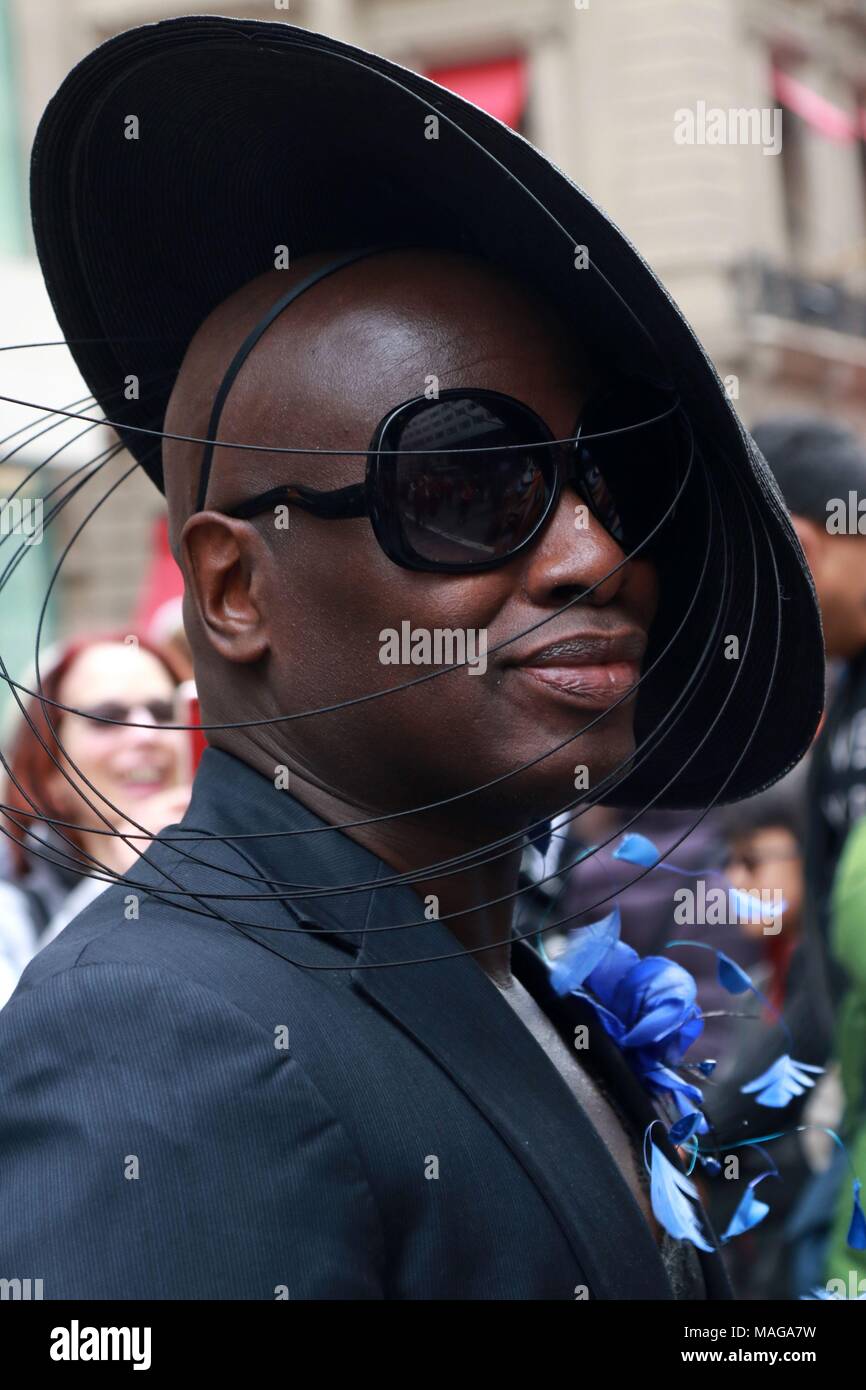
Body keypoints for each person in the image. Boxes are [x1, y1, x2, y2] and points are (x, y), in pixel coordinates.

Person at [0, 17, 823, 1300]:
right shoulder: (164, 1049)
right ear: (231, 586)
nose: (593, 552)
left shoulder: (495, 971)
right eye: (467, 482)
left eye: (605, 478)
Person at [0, 634, 191, 977]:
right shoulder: (12, 915)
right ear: (49, 773)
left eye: (164, 712)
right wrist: (115, 882)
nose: (147, 733)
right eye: (106, 718)